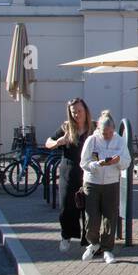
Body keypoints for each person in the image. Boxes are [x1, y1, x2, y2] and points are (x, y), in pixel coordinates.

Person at [79, 110, 129, 264]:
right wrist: (97, 164)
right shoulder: (91, 140)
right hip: (92, 182)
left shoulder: (119, 141)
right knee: (91, 218)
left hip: (111, 183)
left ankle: (107, 249)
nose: (107, 135)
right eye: (104, 132)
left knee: (110, 217)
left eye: (109, 132)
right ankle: (93, 243)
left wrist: (117, 162)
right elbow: (83, 163)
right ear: (98, 129)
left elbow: (126, 161)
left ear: (113, 130)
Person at [45, 98, 91, 252]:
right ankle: (66, 236)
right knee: (66, 205)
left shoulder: (93, 127)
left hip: (88, 171)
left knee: (88, 206)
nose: (77, 114)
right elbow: (48, 142)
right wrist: (58, 142)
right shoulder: (66, 127)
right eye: (74, 112)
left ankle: (88, 240)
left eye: (80, 111)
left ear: (85, 111)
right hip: (69, 170)